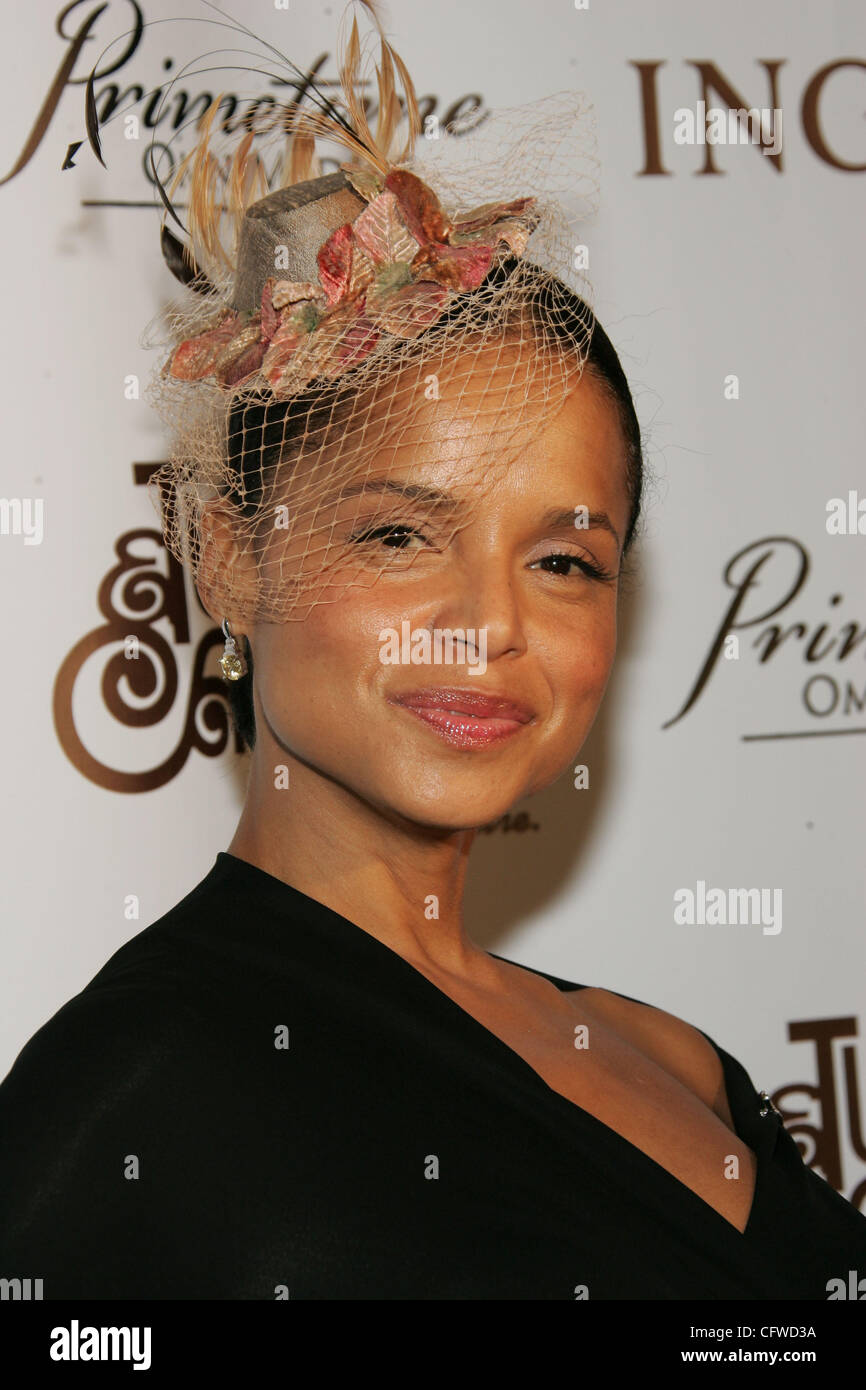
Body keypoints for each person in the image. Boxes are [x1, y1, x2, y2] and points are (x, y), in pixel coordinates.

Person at [1, 3, 864, 1299]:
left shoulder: (677, 1061)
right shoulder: (119, 1106)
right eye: (401, 534)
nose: (491, 622)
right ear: (228, 557)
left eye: (562, 560)